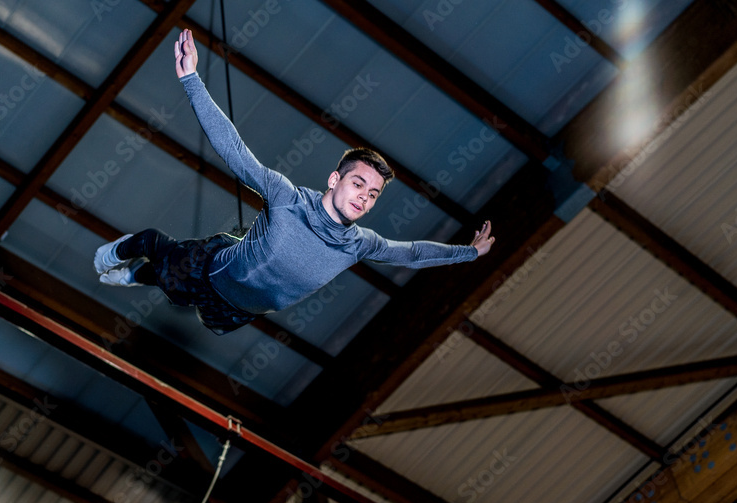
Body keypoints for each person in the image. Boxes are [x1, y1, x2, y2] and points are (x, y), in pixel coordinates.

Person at [94, 29, 495, 335]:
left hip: (234, 310)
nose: (364, 198)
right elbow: (233, 150)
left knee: (172, 293)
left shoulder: (360, 244)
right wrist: (192, 80)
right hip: (209, 269)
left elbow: (412, 253)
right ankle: (115, 257)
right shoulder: (286, 198)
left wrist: (468, 254)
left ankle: (134, 276)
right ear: (334, 179)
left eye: (373, 195)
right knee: (157, 249)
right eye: (358, 185)